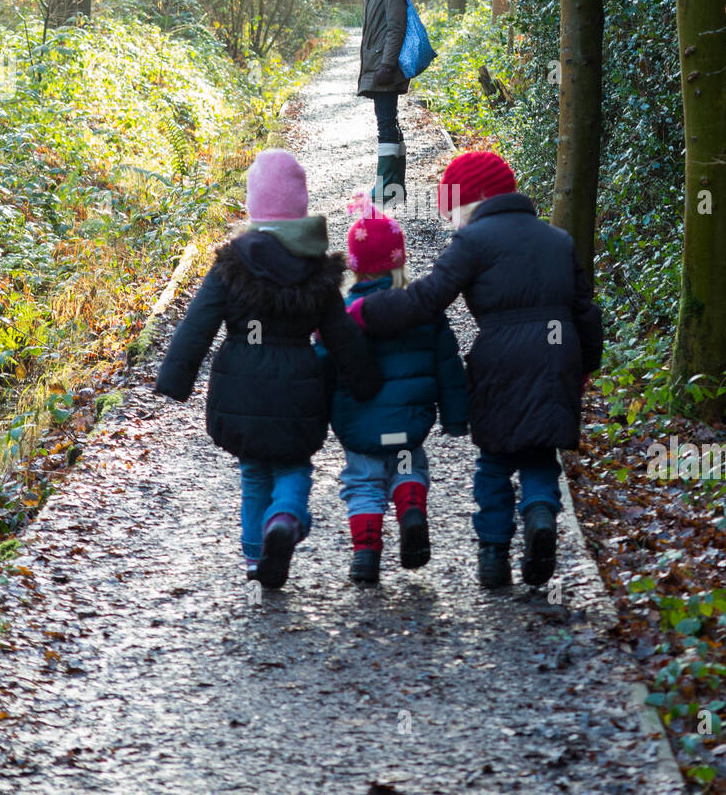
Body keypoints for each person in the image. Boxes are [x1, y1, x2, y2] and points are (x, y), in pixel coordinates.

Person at [345, 151, 603, 590]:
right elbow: (586, 312)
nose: (451, 222)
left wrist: (366, 312)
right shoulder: (558, 239)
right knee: (541, 456)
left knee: (495, 462)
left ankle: (493, 556)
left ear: (476, 199)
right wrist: (584, 367)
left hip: (500, 356)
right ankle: (541, 517)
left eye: (453, 209)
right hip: (558, 356)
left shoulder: (474, 242)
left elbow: (427, 299)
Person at [154, 149, 381, 589]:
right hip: (299, 385)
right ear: (301, 205)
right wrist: (366, 382)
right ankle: (286, 521)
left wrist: (174, 380)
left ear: (254, 206)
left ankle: (257, 558)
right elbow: (341, 335)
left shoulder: (231, 263)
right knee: (293, 466)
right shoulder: (317, 268)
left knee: (254, 471)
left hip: (239, 388)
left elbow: (197, 323)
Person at [315, 194, 469, 585]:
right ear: (400, 261)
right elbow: (448, 366)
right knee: (407, 468)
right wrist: (456, 417)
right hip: (407, 424)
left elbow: (321, 367)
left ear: (353, 266)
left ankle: (366, 557)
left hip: (360, 426)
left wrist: (311, 422)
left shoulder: (340, 317)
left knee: (364, 484)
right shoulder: (423, 312)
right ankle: (411, 510)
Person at [358, 0, 412, 206]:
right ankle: (395, 186)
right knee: (390, 122)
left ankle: (386, 187)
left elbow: (396, 28)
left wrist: (387, 66)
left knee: (386, 124)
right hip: (382, 66)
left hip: (385, 68)